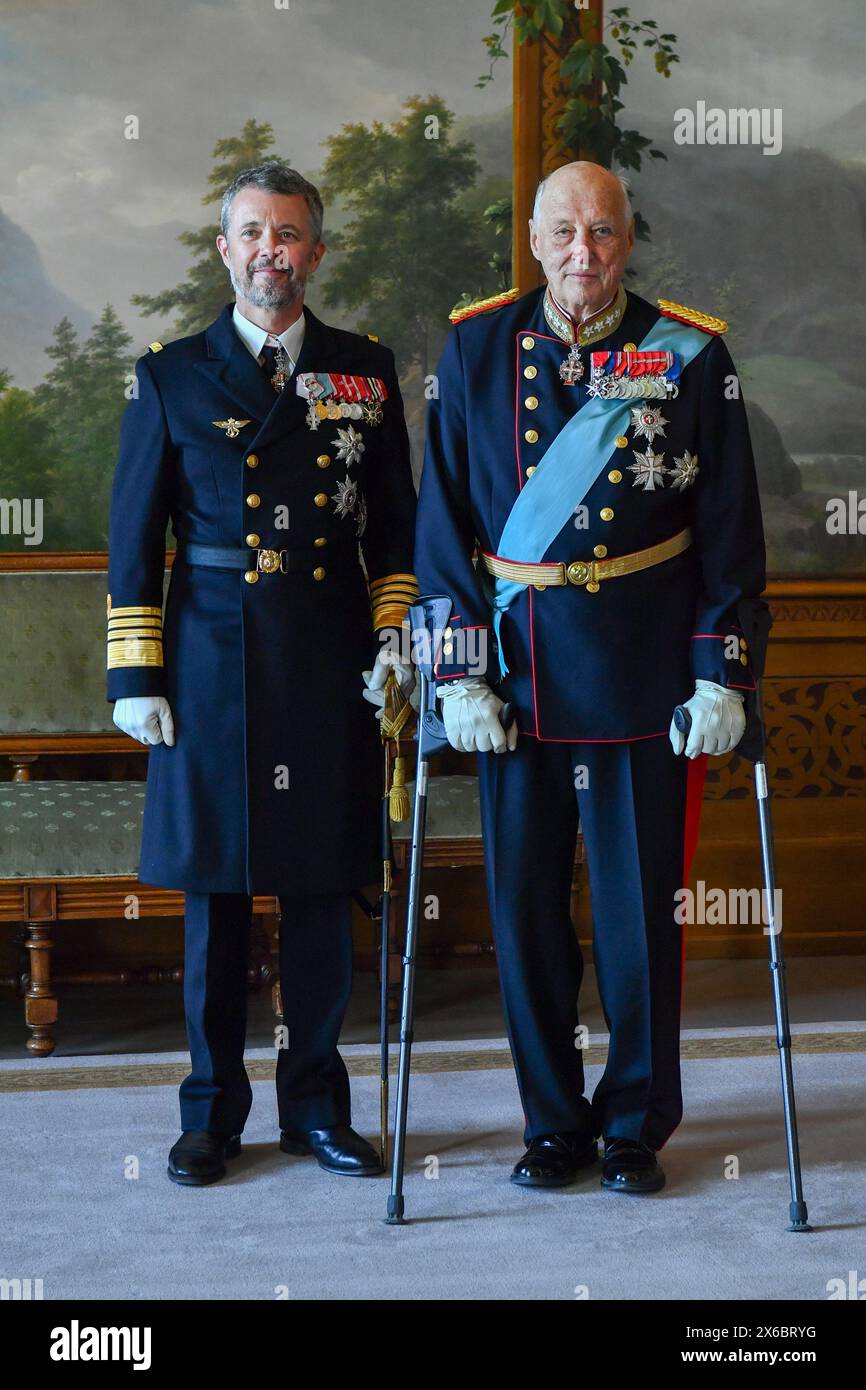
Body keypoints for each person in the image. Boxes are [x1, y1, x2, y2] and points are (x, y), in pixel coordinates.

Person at [414, 160, 766, 1195]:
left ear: (627, 239)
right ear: (531, 240)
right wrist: (456, 675)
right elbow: (442, 534)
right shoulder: (475, 346)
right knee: (523, 920)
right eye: (563, 231)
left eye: (603, 232)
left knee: (638, 921)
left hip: (641, 681)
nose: (583, 253)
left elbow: (728, 537)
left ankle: (632, 1124)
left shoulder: (691, 355)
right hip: (514, 690)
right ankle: (551, 1122)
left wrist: (721, 678)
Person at [107, 161, 418, 1186]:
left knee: (322, 894)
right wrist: (135, 676)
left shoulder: (362, 371)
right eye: (250, 233)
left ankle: (316, 1108)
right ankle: (210, 1116)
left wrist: (393, 645)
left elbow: (396, 529)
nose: (267, 253)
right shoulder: (172, 374)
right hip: (208, 666)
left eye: (286, 235)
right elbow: (133, 537)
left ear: (315, 253)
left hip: (327, 660)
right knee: (217, 899)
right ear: (223, 249)